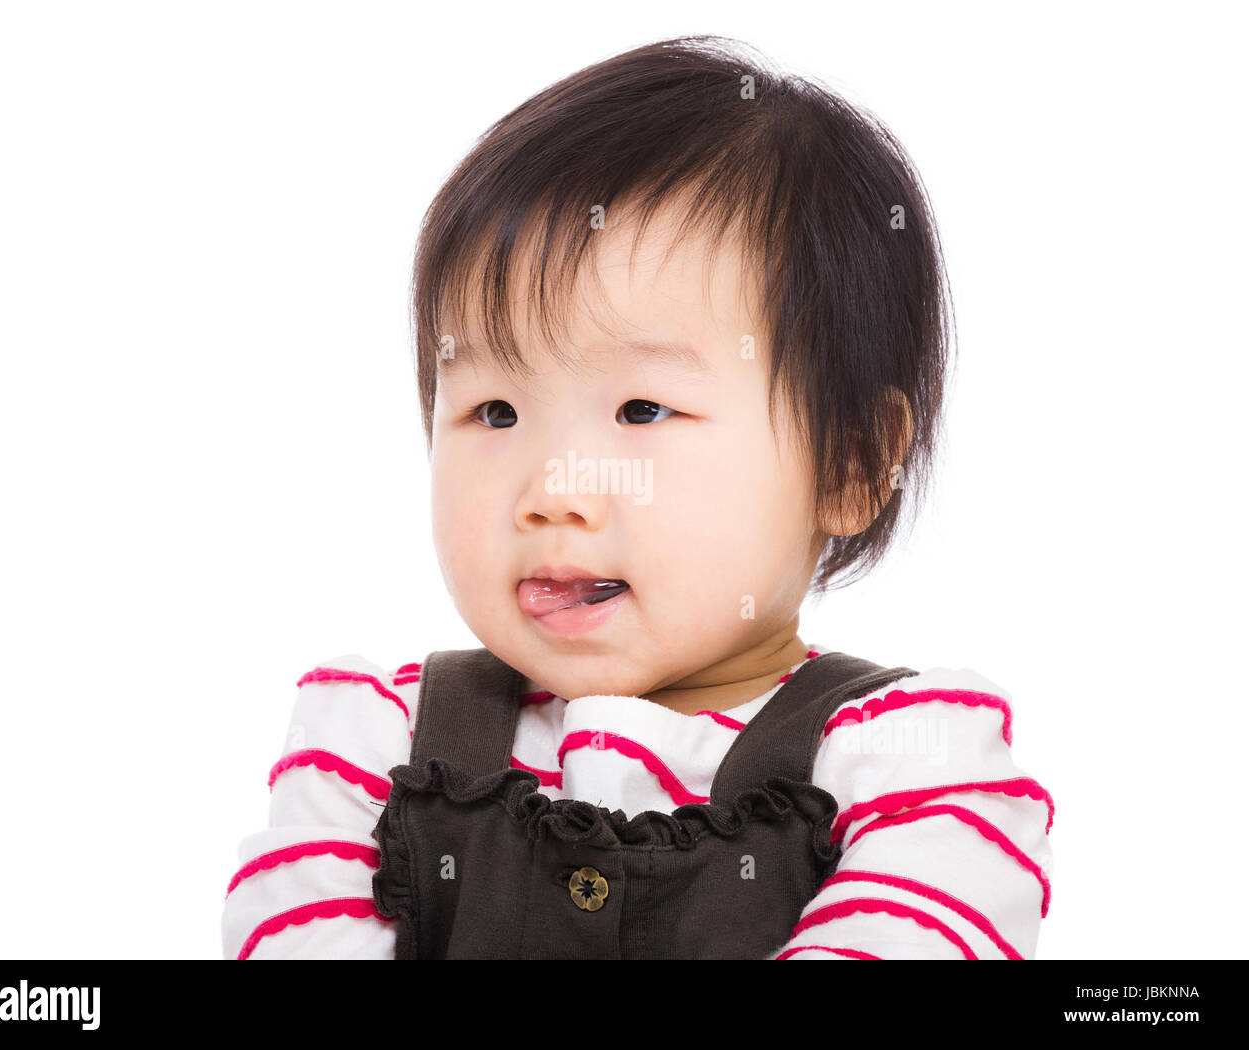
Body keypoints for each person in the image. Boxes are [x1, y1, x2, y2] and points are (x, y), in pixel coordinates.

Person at [221, 34, 1053, 960]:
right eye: (494, 411)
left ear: (850, 463)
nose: (554, 492)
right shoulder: (377, 743)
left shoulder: (912, 766)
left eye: (641, 409)